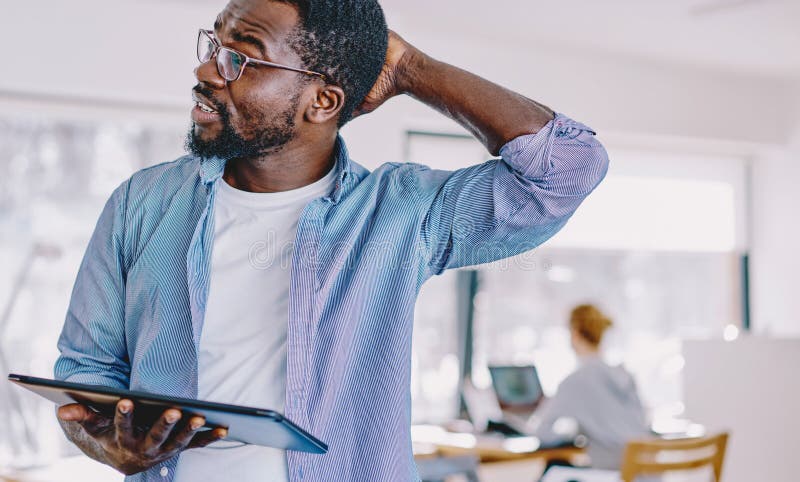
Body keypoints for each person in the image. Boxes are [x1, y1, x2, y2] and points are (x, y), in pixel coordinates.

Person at [53, 0, 610, 480]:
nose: (206, 69)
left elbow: (568, 167)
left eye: (239, 56)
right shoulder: (143, 202)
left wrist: (412, 68)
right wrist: (108, 446)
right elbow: (86, 368)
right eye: (212, 43)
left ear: (322, 102)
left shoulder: (402, 213)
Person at [530, 305, 648, 472]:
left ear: (574, 333)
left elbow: (542, 434)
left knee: (553, 467)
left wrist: (571, 436)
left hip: (613, 474)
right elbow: (640, 423)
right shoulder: (625, 376)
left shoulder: (575, 382)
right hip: (644, 474)